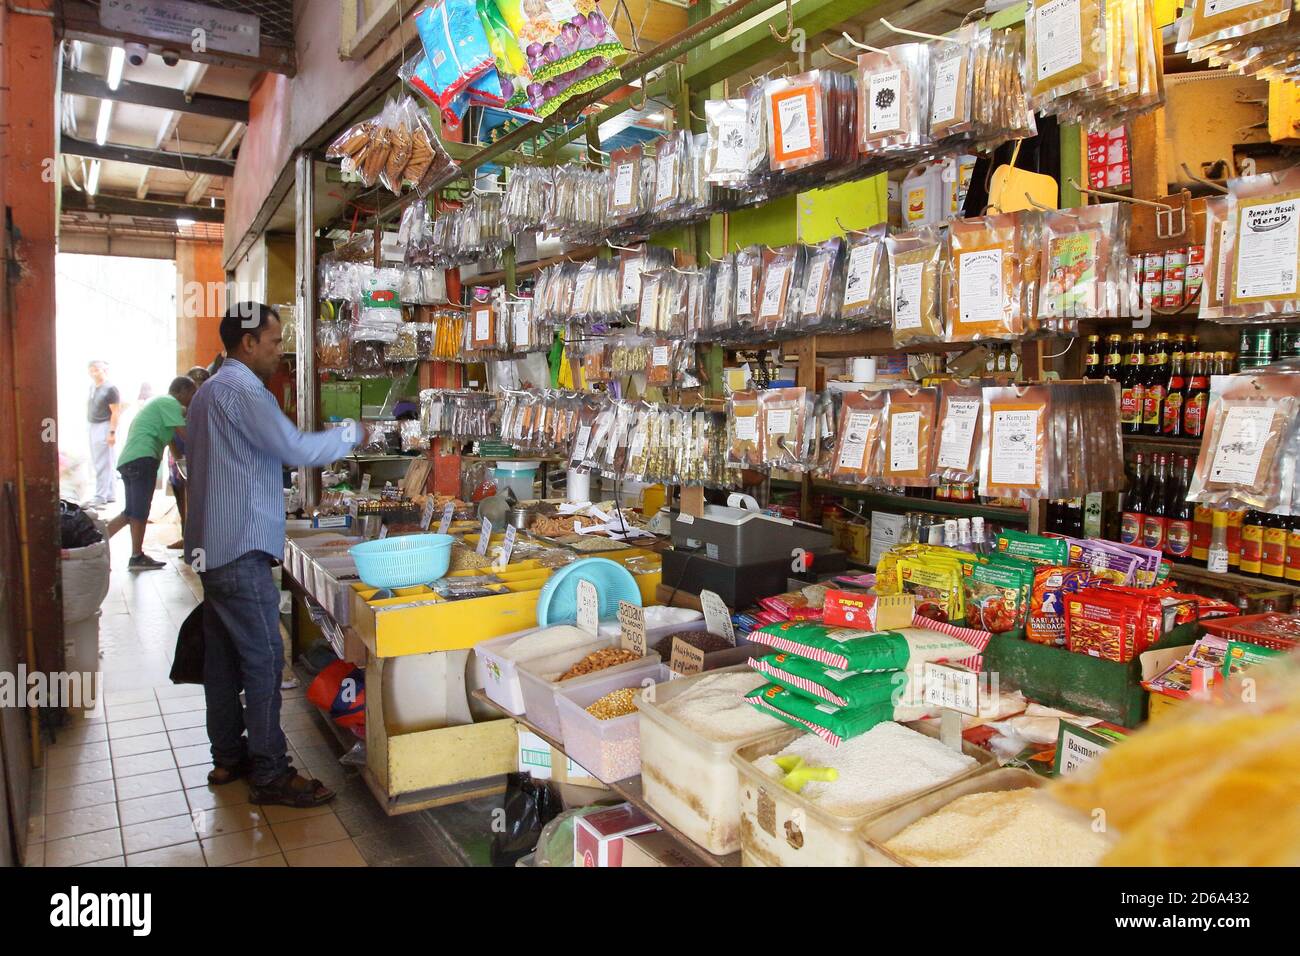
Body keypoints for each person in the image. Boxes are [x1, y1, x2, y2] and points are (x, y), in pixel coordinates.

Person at [186, 303, 357, 807]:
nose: (280, 353)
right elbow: (298, 450)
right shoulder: (243, 389)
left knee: (223, 660)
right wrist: (353, 434)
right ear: (247, 344)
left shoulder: (207, 391)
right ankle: (271, 773)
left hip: (210, 548)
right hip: (239, 549)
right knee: (264, 661)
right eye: (275, 342)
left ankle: (228, 757)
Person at [106, 376, 197, 570]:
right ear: (182, 391)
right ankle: (136, 556)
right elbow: (186, 435)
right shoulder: (169, 402)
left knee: (130, 512)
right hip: (143, 460)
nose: (193, 399)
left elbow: (174, 444)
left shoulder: (159, 404)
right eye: (193, 394)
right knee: (139, 512)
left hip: (129, 460)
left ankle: (95, 543)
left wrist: (183, 460)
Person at [166, 366, 212, 550]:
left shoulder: (208, 403)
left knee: (196, 499)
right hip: (180, 454)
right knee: (181, 495)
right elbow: (171, 432)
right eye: (196, 385)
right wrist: (177, 455)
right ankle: (186, 537)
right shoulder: (177, 405)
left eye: (202, 385)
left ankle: (195, 540)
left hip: (197, 456)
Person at [86, 360, 122, 506]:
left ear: (104, 370)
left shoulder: (111, 388)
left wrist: (112, 432)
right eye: (91, 370)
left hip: (104, 425)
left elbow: (115, 412)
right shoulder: (93, 387)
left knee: (103, 462)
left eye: (96, 370)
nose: (93, 373)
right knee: (103, 461)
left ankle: (100, 495)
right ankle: (110, 494)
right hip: (93, 424)